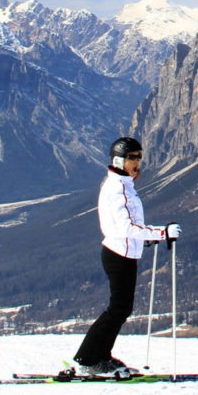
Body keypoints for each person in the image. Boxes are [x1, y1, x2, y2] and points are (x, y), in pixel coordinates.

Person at [72, 135, 179, 377]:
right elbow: (124, 227)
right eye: (132, 158)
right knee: (118, 309)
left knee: (121, 309)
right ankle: (88, 358)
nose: (137, 162)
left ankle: (100, 356)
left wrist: (148, 237)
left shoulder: (124, 184)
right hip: (118, 254)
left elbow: (131, 226)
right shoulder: (117, 188)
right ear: (119, 160)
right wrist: (161, 233)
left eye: (139, 157)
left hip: (126, 253)